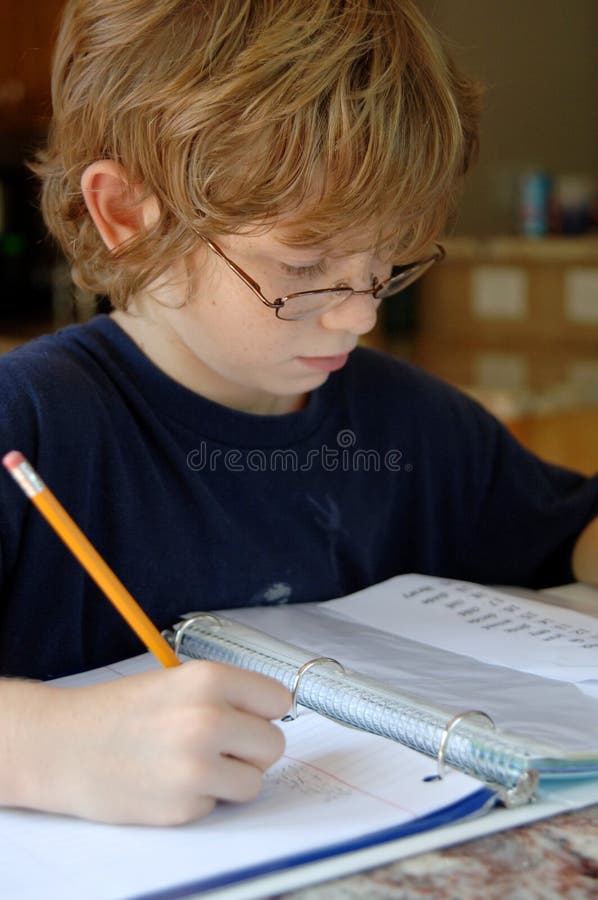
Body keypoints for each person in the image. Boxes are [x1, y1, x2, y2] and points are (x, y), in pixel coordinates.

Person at [0, 0, 596, 827]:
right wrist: (44, 748)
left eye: (386, 260)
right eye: (305, 265)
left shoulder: (410, 425)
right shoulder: (27, 425)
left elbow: (567, 533)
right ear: (129, 217)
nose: (359, 314)